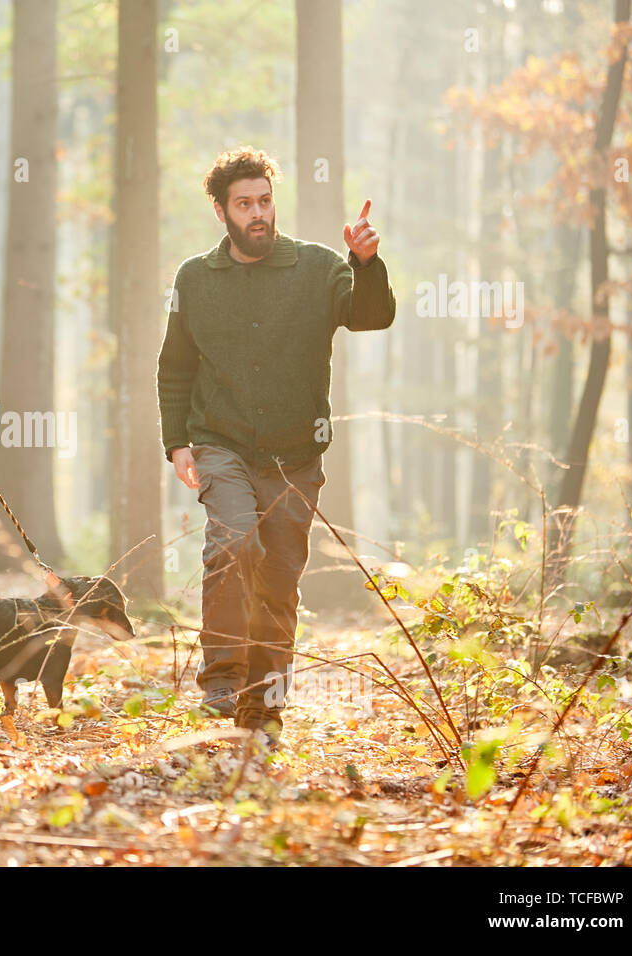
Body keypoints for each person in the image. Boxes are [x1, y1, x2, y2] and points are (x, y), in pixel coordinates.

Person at [156, 146, 396, 747]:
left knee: (280, 579)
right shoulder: (194, 278)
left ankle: (262, 712)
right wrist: (176, 443)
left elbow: (371, 317)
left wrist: (365, 264)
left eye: (265, 201)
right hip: (220, 442)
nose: (258, 213)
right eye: (244, 205)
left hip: (295, 453)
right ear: (221, 211)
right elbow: (175, 366)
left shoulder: (316, 267)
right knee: (234, 541)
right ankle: (222, 678)